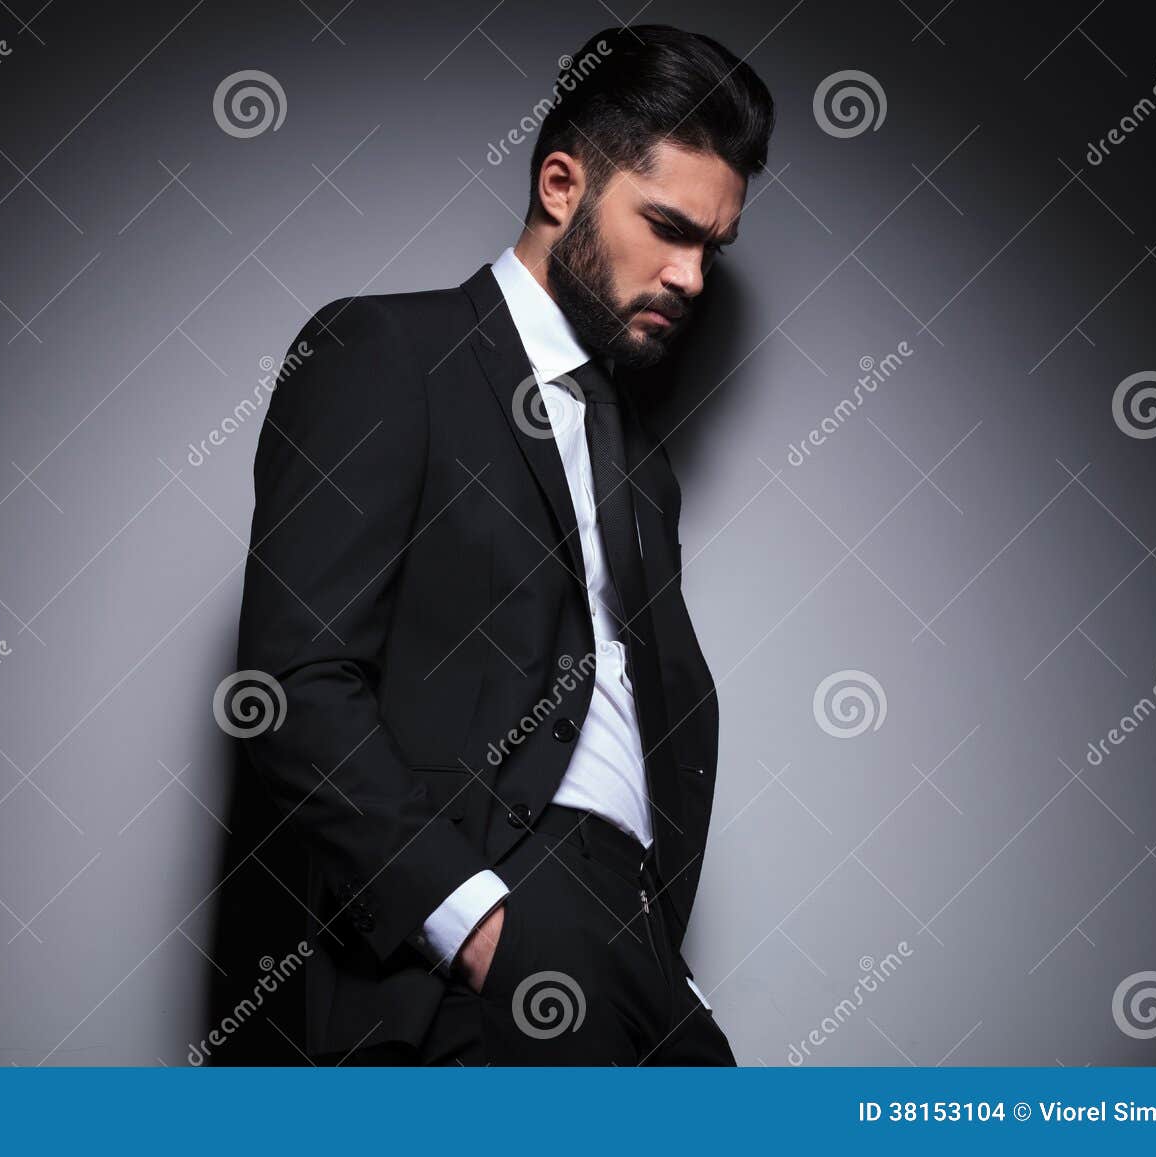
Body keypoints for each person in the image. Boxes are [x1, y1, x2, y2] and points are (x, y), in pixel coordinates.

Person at [235, 23, 774, 1065]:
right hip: (500, 913)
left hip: (639, 941)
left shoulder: (639, 465)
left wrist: (658, 954)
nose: (691, 276)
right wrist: (473, 920)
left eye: (711, 245)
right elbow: (292, 678)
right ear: (563, 185)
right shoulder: (389, 353)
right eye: (666, 226)